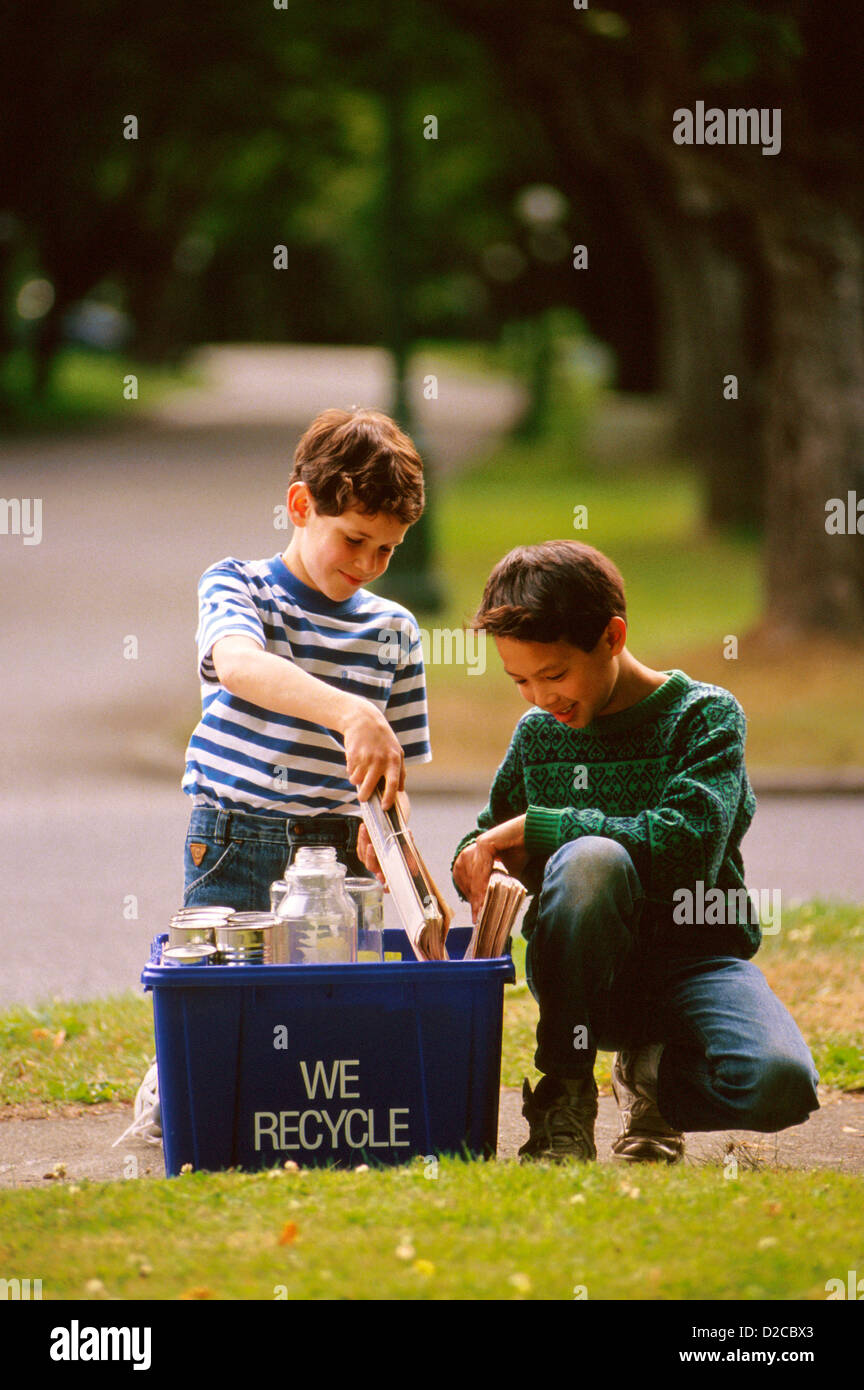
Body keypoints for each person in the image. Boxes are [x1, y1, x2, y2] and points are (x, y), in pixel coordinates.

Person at [451, 540, 819, 1165]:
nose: (541, 698)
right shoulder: (539, 734)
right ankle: (564, 1092)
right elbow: (496, 829)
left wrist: (546, 828)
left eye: (556, 674)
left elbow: (686, 851)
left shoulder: (704, 718)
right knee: (589, 861)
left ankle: (652, 1083)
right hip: (586, 982)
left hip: (696, 962)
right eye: (520, 681)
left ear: (612, 636)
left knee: (779, 1084)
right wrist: (476, 861)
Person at [180, 406, 432, 911]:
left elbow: (390, 772)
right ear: (301, 505)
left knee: (336, 992)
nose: (367, 564)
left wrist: (391, 833)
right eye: (354, 539)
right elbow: (238, 666)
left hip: (342, 856)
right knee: (232, 989)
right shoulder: (237, 585)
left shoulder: (396, 629)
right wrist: (352, 712)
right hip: (236, 844)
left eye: (387, 550)